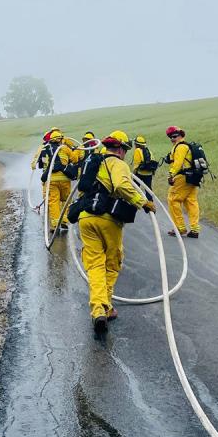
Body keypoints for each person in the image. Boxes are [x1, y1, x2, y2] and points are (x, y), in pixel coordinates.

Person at [78, 130, 156, 333]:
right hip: (108, 220)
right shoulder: (118, 164)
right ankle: (105, 305)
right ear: (121, 149)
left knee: (94, 265)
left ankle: (98, 310)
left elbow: (82, 190)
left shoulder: (91, 164)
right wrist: (143, 202)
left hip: (85, 218)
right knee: (111, 264)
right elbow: (121, 185)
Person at [164, 126, 200, 238]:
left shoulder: (180, 147)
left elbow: (178, 163)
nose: (172, 139)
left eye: (174, 136)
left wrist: (171, 175)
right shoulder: (187, 146)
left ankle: (180, 228)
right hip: (193, 177)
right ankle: (194, 229)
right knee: (191, 202)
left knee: (172, 199)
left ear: (181, 135)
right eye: (170, 137)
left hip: (182, 178)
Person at [44, 130, 74, 232]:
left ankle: (55, 223)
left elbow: (41, 163)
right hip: (65, 179)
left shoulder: (45, 149)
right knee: (65, 200)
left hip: (51, 179)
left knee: (54, 201)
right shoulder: (65, 148)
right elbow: (75, 158)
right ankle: (64, 221)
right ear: (60, 139)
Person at [131, 135, 157, 200]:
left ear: (137, 144)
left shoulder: (137, 150)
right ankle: (150, 204)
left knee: (136, 188)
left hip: (140, 173)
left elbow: (137, 164)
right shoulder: (148, 151)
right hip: (149, 174)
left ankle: (135, 203)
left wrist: (133, 174)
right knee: (148, 189)